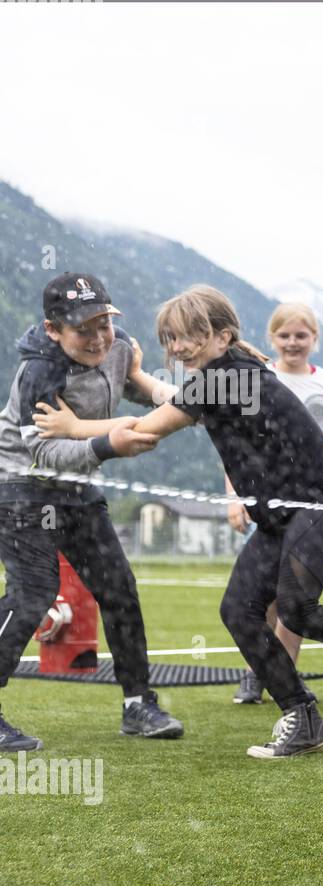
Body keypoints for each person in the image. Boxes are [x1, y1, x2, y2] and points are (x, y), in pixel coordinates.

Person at [37, 285, 323, 757]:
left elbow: (150, 430)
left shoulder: (224, 377)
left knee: (296, 610)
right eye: (169, 338)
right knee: (238, 611)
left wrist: (73, 429)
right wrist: (136, 374)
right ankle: (302, 717)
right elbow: (174, 405)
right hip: (280, 515)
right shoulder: (223, 375)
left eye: (187, 336)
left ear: (223, 336)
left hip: (322, 507)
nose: (176, 348)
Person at [0, 272, 184, 752]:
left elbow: (140, 392)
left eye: (105, 322)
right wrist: (106, 444)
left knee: (119, 587)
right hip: (20, 486)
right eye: (84, 329)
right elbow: (45, 453)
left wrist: (165, 389)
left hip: (78, 485)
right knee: (34, 593)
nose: (99, 337)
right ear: (54, 329)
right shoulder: (39, 373)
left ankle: (139, 704)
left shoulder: (119, 346)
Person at [230, 302, 323, 705]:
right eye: (285, 335)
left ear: (315, 338)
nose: (293, 343)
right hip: (266, 497)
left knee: (294, 594)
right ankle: (256, 672)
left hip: (312, 499)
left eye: (301, 335)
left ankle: (287, 674)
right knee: (258, 595)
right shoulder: (261, 379)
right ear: (271, 339)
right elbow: (237, 447)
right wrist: (235, 497)